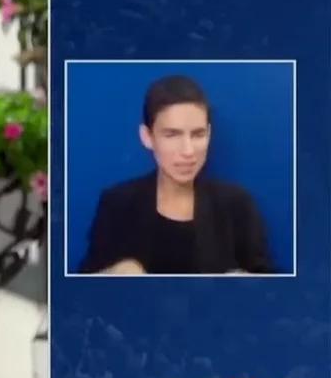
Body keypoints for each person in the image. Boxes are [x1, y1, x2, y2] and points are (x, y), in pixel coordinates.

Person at [77, 74, 274, 274]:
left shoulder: (237, 205)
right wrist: (111, 275)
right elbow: (78, 294)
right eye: (171, 134)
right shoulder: (117, 204)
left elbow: (275, 292)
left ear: (209, 134)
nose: (188, 151)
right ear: (147, 137)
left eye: (198, 134)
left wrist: (245, 286)